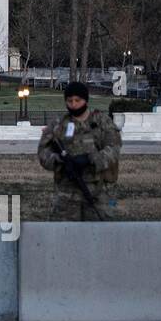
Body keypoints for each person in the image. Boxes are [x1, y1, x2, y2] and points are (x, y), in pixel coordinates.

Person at [36, 80, 121, 221]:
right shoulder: (58, 124)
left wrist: (90, 159)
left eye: (77, 100)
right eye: (69, 101)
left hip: (98, 192)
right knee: (64, 235)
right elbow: (43, 151)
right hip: (66, 194)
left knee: (99, 234)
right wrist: (59, 161)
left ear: (85, 100)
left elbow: (114, 149)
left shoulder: (102, 122)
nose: (74, 104)